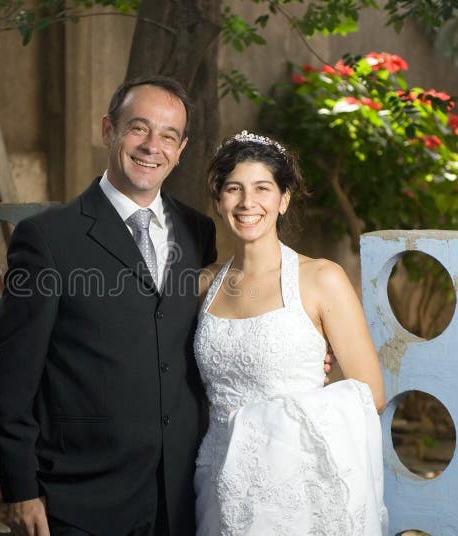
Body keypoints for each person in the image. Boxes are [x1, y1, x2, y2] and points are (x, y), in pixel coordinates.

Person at [0, 76, 218, 536]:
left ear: (182, 147)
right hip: (80, 494)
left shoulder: (199, 231)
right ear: (107, 130)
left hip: (182, 492)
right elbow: (11, 376)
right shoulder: (48, 238)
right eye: (139, 128)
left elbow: (208, 333)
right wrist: (20, 488)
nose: (153, 146)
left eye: (168, 136)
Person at [193, 131, 388, 535]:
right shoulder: (202, 285)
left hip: (294, 488)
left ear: (283, 199)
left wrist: (290, 410)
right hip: (215, 478)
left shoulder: (321, 279)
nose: (248, 203)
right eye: (234, 189)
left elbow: (372, 394)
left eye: (262, 188)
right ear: (219, 201)